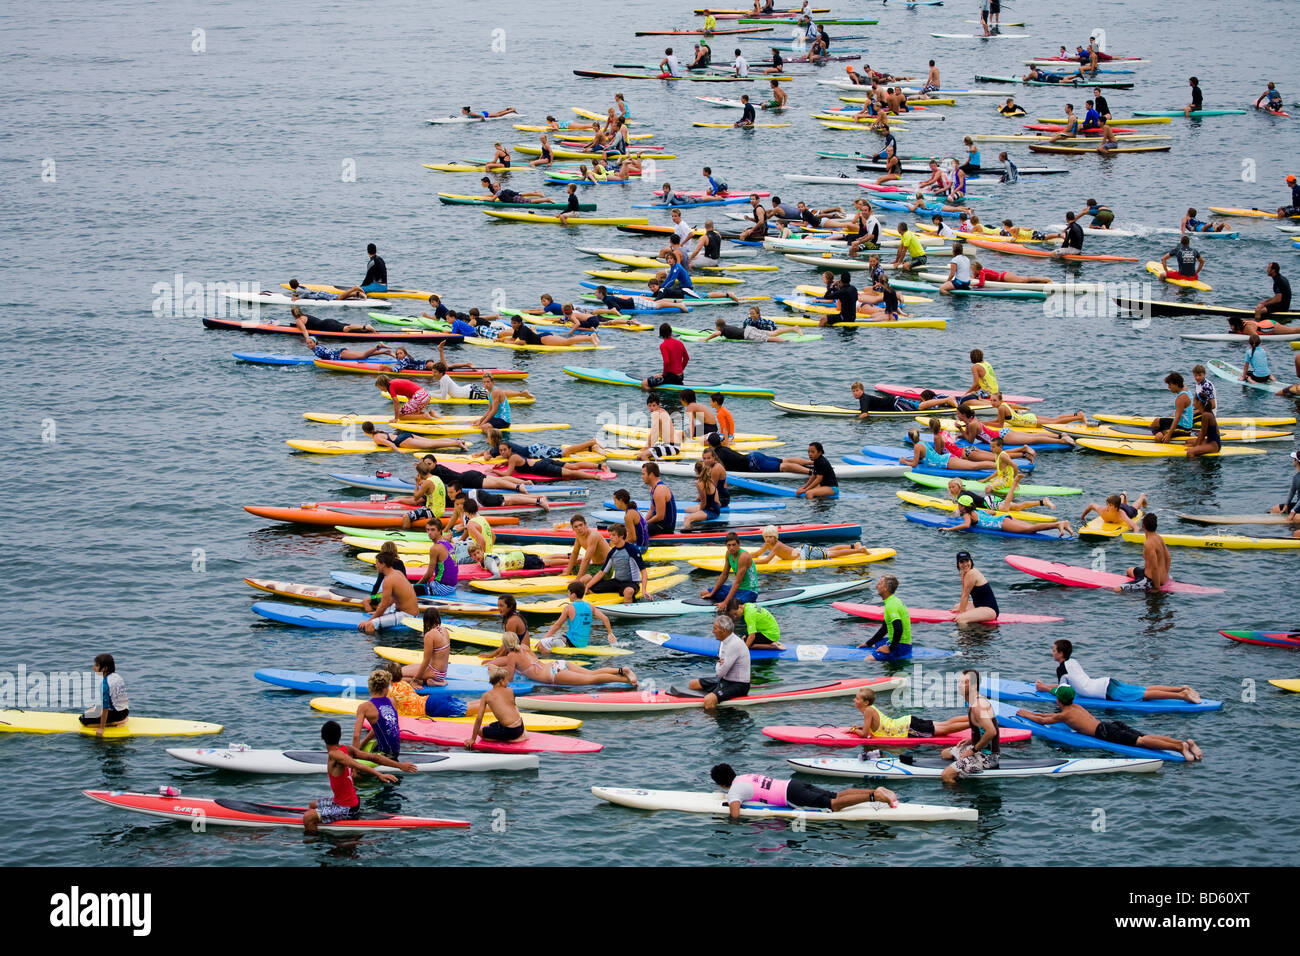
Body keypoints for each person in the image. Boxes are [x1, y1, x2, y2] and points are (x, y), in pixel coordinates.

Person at [1016, 686, 1203, 761]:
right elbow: (1051, 716)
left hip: (1105, 732)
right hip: (1110, 724)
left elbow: (1043, 720)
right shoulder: (1076, 708)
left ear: (1058, 701)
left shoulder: (1064, 715)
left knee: (1142, 742)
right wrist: (1038, 713)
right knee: (1144, 737)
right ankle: (1184, 743)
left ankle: (1180, 747)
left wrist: (1025, 713)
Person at [302, 721, 415, 833]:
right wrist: (400, 765)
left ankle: (317, 844)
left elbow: (357, 765)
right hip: (343, 802)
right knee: (313, 804)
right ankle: (326, 823)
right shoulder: (348, 749)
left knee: (307, 817)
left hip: (347, 808)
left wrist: (379, 774)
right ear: (340, 735)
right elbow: (374, 757)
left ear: (322, 737)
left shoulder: (334, 754)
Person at [1034, 639, 1203, 704]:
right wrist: (1046, 686)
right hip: (1105, 682)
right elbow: (1069, 683)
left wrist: (1044, 688)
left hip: (1102, 692)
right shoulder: (1073, 661)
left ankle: (1182, 696)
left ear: (1061, 653)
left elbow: (1062, 691)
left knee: (1143, 695)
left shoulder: (1061, 668)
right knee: (1143, 690)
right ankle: (1181, 688)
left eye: (1054, 650)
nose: (1052, 652)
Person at [710, 763, 898, 817]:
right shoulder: (744, 777)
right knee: (835, 794)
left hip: (790, 796)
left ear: (721, 784)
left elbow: (735, 815)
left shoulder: (734, 790)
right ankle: (875, 790)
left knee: (833, 805)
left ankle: (875, 796)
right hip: (792, 784)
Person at [486, 633, 637, 689]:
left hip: (553, 675)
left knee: (593, 679)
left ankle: (627, 681)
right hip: (556, 664)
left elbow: (510, 678)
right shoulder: (524, 647)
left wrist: (495, 671)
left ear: (506, 645)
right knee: (592, 672)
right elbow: (524, 664)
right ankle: (622, 670)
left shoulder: (512, 656)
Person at [940, 670, 1001, 783]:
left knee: (946, 775)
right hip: (978, 749)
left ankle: (965, 798)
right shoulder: (973, 702)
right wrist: (973, 740)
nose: (959, 685)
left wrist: (973, 750)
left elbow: (991, 731)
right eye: (960, 681)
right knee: (945, 753)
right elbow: (985, 727)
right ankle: (963, 764)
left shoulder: (978, 705)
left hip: (986, 758)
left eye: (965, 682)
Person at [848, 685, 969, 739]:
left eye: (857, 698)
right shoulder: (870, 709)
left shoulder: (868, 710)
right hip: (908, 722)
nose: (854, 700)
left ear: (866, 702)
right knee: (945, 724)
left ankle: (974, 722)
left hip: (908, 728)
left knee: (945, 729)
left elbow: (864, 735)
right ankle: (971, 717)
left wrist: (854, 730)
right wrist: (861, 727)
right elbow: (873, 726)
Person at [688, 616, 751, 709]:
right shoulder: (724, 641)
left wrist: (719, 663)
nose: (713, 631)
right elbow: (721, 666)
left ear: (724, 630)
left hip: (739, 685)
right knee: (693, 684)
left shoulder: (734, 645)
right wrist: (720, 663)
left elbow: (720, 673)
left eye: (715, 628)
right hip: (725, 680)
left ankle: (714, 720)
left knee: (709, 700)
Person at [585, 522, 652, 603]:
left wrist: (644, 589)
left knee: (628, 592)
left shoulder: (632, 550)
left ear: (621, 536)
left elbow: (643, 572)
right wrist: (588, 586)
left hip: (631, 583)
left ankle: (626, 612)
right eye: (610, 535)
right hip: (617, 581)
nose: (610, 538)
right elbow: (602, 572)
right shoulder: (612, 552)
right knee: (591, 588)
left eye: (613, 535)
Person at [538, 581, 616, 650]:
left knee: (543, 644)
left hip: (570, 643)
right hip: (583, 644)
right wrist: (610, 633)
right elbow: (605, 618)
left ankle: (547, 661)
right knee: (561, 635)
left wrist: (544, 639)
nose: (568, 595)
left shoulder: (569, 608)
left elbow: (557, 625)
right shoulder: (590, 606)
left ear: (573, 594)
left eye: (568, 593)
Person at [360, 550, 421, 633]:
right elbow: (391, 600)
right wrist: (378, 613)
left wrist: (370, 620)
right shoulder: (398, 573)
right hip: (411, 612)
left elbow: (383, 605)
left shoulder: (388, 580)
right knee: (377, 614)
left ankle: (375, 645)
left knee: (369, 625)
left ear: (383, 564)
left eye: (377, 563)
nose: (376, 566)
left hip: (408, 616)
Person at [855, 574, 913, 659]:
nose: (876, 586)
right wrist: (868, 643)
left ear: (885, 588)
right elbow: (884, 629)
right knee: (876, 644)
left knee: (867, 660)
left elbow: (898, 629)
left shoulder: (891, 605)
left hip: (900, 646)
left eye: (880, 583)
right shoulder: (892, 601)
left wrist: (889, 648)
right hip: (902, 643)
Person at [350, 669, 404, 759]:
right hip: (396, 751)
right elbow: (384, 726)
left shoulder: (364, 707)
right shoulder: (392, 701)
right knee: (371, 743)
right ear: (386, 688)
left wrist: (353, 761)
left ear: (370, 687)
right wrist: (363, 744)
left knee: (351, 750)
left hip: (384, 755)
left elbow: (356, 736)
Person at [1116, 512, 1171, 591]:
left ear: (1143, 526)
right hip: (1158, 576)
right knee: (1129, 570)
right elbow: (1168, 558)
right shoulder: (1159, 538)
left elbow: (1154, 567)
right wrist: (1165, 575)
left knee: (1117, 589)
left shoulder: (1148, 543)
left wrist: (1157, 588)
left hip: (1150, 580)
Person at [702, 532, 759, 606]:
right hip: (738, 589)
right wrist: (711, 593)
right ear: (726, 545)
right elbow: (724, 575)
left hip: (749, 592)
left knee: (731, 605)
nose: (731, 547)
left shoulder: (743, 556)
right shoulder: (728, 554)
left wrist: (725, 603)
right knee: (704, 593)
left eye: (734, 545)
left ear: (738, 544)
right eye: (729, 545)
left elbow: (737, 582)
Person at [851, 381, 957, 419]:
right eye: (853, 391)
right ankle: (945, 403)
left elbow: (865, 414)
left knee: (919, 407)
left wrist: (855, 420)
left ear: (862, 390)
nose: (855, 393)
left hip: (896, 403)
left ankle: (947, 400)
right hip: (896, 402)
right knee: (918, 405)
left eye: (857, 390)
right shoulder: (865, 398)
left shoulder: (863, 398)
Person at [80, 653, 128, 734]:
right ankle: (123, 718)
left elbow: (105, 709)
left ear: (104, 668)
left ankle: (117, 722)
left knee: (83, 720)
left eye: (96, 666)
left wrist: (101, 728)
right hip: (125, 711)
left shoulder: (105, 685)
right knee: (91, 710)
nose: (93, 668)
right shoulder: (117, 676)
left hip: (117, 715)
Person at [949, 550, 1000, 624]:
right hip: (979, 605)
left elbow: (965, 596)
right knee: (956, 607)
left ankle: (963, 634)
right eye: (962, 562)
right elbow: (964, 592)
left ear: (971, 561)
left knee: (961, 619)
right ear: (958, 564)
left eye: (967, 561)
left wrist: (961, 614)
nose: (965, 564)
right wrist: (960, 609)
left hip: (990, 610)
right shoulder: (964, 572)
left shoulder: (972, 573)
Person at [500, 313, 599, 347]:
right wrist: (500, 340)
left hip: (544, 340)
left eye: (514, 323)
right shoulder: (517, 329)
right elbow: (513, 339)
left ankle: (589, 338)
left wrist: (509, 343)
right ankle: (590, 337)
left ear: (519, 323)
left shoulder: (523, 329)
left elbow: (522, 342)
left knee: (567, 342)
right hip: (543, 337)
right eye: (512, 323)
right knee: (566, 341)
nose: (512, 325)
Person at [1149, 371, 1197, 441]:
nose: (1168, 387)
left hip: (1184, 429)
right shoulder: (1184, 388)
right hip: (1179, 423)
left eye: (1170, 385)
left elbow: (1177, 418)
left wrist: (1169, 434)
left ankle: (1159, 438)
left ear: (1176, 384)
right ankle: (1148, 435)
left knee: (1158, 437)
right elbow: (1182, 383)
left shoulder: (1181, 398)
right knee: (1156, 421)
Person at [642, 324, 689, 389]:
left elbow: (666, 362)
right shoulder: (680, 343)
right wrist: (680, 370)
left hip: (672, 377)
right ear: (670, 332)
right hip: (681, 376)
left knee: (644, 383)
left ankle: (654, 396)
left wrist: (663, 375)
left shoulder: (663, 345)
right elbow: (686, 358)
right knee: (657, 376)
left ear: (661, 334)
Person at [290, 305, 375, 340]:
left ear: (293, 314)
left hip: (326, 326)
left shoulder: (298, 320)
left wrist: (308, 340)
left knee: (346, 329)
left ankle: (365, 327)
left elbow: (304, 330)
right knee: (347, 327)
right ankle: (365, 330)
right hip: (327, 321)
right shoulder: (305, 315)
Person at [1080, 493, 1146, 532]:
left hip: (1126, 510)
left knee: (1134, 508)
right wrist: (1083, 517)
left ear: (1116, 507)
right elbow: (1091, 505)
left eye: (1110, 505)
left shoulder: (1122, 514)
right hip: (1118, 505)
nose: (1107, 507)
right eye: (1107, 504)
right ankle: (1123, 495)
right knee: (1118, 502)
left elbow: (1135, 527)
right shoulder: (1102, 510)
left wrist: (1134, 535)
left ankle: (1142, 496)